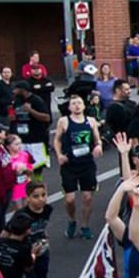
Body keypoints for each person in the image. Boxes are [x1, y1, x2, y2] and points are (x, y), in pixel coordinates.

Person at [53, 94, 103, 240]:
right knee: (70, 199)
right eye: (73, 103)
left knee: (87, 197)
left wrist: (98, 146)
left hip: (87, 164)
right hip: (69, 164)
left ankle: (85, 226)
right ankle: (72, 220)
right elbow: (57, 140)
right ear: (69, 107)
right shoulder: (64, 121)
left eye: (79, 103)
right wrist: (59, 155)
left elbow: (97, 140)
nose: (77, 106)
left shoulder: (91, 121)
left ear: (84, 106)